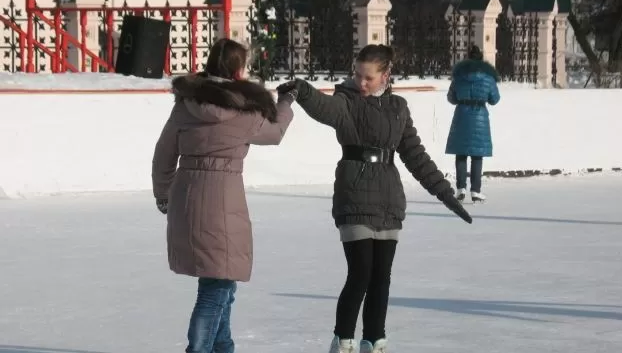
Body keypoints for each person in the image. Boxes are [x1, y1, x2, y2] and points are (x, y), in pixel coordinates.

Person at [276, 44, 471, 353]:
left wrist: (445, 194)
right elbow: (323, 107)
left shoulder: (398, 108)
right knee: (361, 272)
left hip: (388, 200)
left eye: (368, 77)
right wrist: (301, 89)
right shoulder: (347, 102)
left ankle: (374, 340)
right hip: (354, 196)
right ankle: (343, 340)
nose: (360, 82)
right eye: (357, 75)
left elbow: (416, 156)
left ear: (385, 76)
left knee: (382, 276)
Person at [152, 38, 296, 353]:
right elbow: (275, 133)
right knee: (215, 286)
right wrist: (286, 102)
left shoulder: (185, 105)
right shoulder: (244, 111)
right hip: (224, 203)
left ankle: (223, 348)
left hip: (187, 199)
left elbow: (164, 154)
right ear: (238, 69)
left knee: (222, 281)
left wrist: (164, 194)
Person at [445, 45, 500, 203]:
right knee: (477, 155)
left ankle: (461, 189)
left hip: (461, 116)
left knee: (461, 154)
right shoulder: (488, 77)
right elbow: (495, 99)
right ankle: (475, 191)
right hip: (480, 117)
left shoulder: (459, 75)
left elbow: (451, 98)